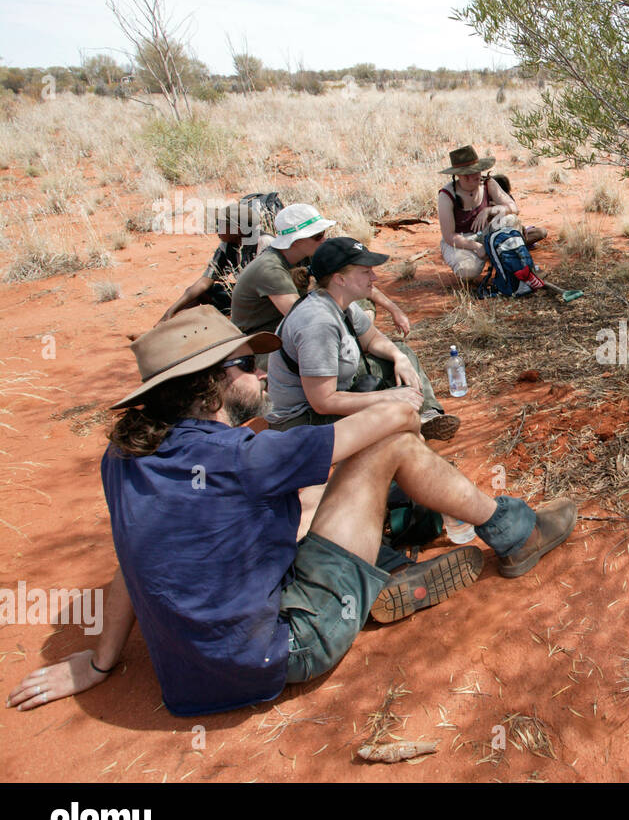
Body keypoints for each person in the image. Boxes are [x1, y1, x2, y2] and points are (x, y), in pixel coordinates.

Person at [4, 306, 576, 716]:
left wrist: (101, 663)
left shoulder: (122, 456)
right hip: (286, 649)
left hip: (193, 678)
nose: (260, 374)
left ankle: (385, 569)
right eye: (245, 366)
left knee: (303, 498)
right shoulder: (241, 456)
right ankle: (513, 531)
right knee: (391, 450)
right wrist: (404, 403)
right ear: (212, 386)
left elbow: (131, 553)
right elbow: (388, 427)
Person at [266, 237, 459, 441]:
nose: (374, 278)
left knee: (399, 350)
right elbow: (322, 402)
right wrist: (387, 397)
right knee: (395, 420)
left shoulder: (340, 304)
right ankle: (407, 436)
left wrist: (399, 358)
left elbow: (372, 338)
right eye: (366, 272)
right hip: (305, 422)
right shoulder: (318, 323)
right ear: (340, 279)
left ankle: (427, 415)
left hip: (333, 394)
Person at [230, 203, 412, 342]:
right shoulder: (270, 269)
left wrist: (394, 310)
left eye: (323, 233)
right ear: (295, 241)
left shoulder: (308, 253)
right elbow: (303, 319)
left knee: (356, 292)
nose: (324, 240)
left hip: (285, 328)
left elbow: (357, 281)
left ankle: (359, 339)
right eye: (317, 236)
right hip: (262, 342)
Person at [437, 145, 546, 281]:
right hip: (462, 240)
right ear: (460, 176)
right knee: (467, 272)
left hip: (487, 233)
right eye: (471, 172)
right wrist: (477, 247)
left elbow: (513, 207)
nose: (477, 175)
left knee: (511, 220)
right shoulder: (447, 195)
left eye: (478, 170)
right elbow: (449, 236)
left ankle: (516, 259)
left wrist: (489, 210)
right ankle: (503, 252)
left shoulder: (488, 183)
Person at [156, 199, 271, 323]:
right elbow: (205, 282)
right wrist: (170, 311)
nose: (216, 229)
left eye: (220, 225)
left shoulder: (264, 243)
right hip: (241, 297)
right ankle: (165, 326)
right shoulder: (228, 246)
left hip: (265, 302)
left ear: (237, 229)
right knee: (202, 293)